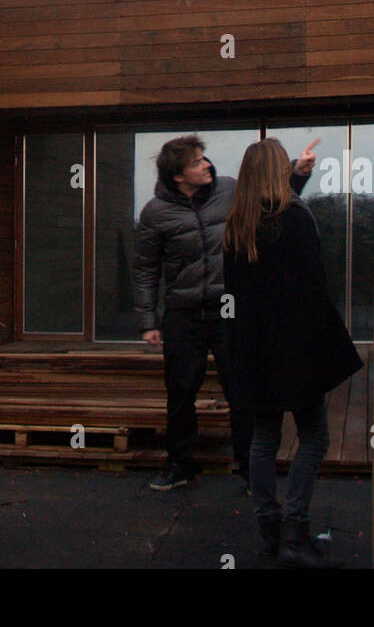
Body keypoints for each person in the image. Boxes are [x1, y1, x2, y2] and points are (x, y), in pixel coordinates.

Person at [133, 133, 317, 491]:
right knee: (181, 390)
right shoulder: (155, 213)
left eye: (205, 158)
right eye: (197, 162)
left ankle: (249, 469)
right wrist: (147, 321)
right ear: (178, 176)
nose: (207, 165)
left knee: (241, 388)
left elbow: (271, 201)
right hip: (183, 312)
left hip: (229, 308)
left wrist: (297, 174)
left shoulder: (230, 190)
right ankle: (179, 465)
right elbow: (145, 268)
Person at [222, 137, 363, 566]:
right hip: (296, 350)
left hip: (255, 351)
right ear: (278, 171)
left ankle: (270, 531)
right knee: (315, 437)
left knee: (263, 440)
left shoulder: (236, 225)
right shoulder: (296, 219)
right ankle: (295, 532)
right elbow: (312, 285)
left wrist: (297, 176)